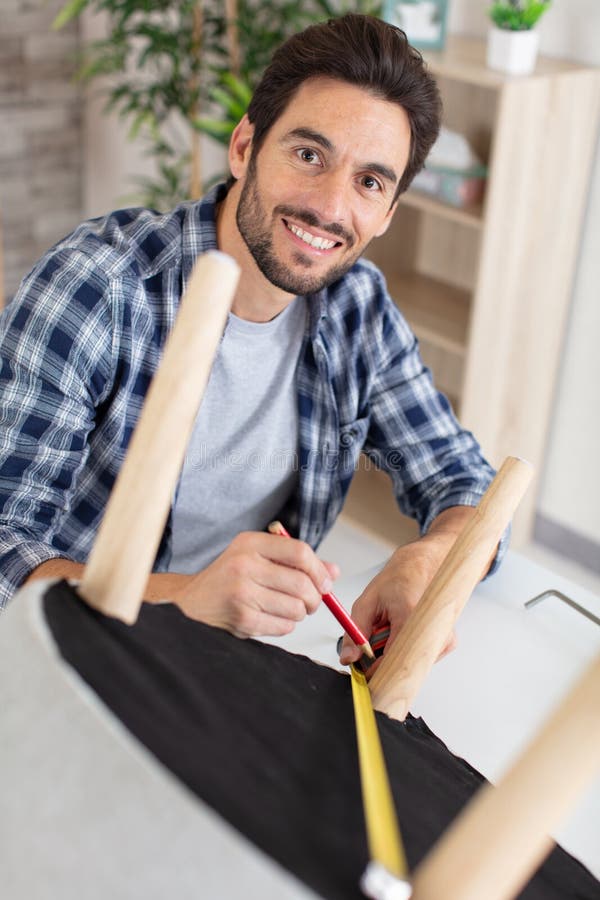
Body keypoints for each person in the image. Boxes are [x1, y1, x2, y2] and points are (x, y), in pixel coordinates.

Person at [0, 14, 504, 666]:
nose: (330, 205)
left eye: (369, 182)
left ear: (386, 215)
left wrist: (428, 563)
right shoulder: (98, 285)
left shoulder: (359, 309)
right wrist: (183, 597)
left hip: (222, 664)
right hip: (67, 651)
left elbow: (467, 483)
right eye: (308, 155)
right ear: (244, 148)